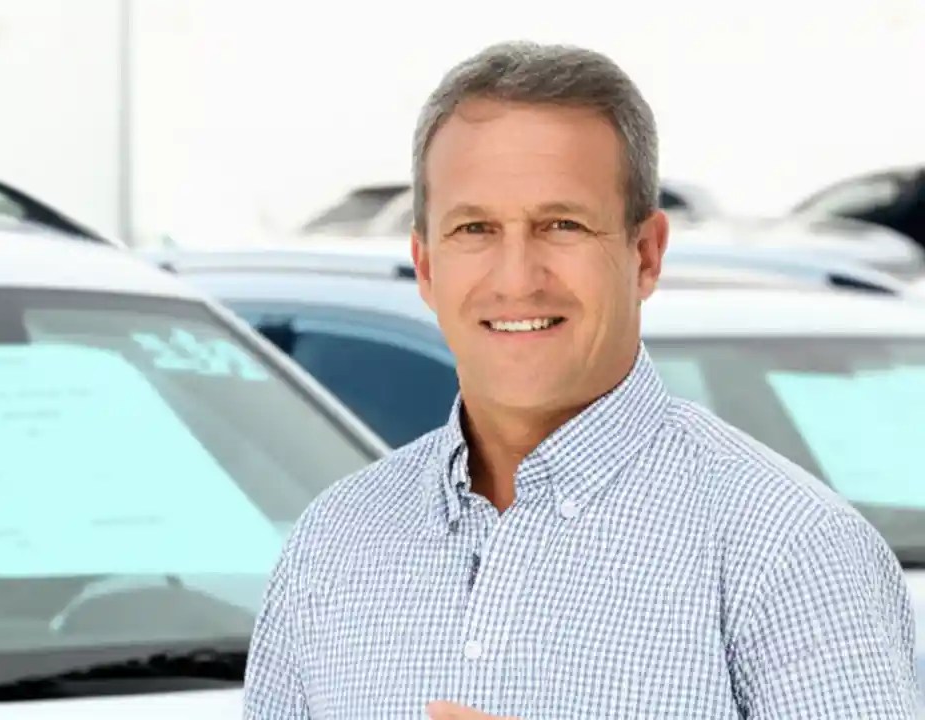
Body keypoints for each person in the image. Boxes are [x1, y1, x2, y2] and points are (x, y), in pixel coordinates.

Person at [242, 41, 918, 718]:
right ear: (425, 266)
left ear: (645, 254)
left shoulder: (791, 551)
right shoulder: (332, 544)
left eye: (561, 225)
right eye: (475, 228)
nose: (516, 278)